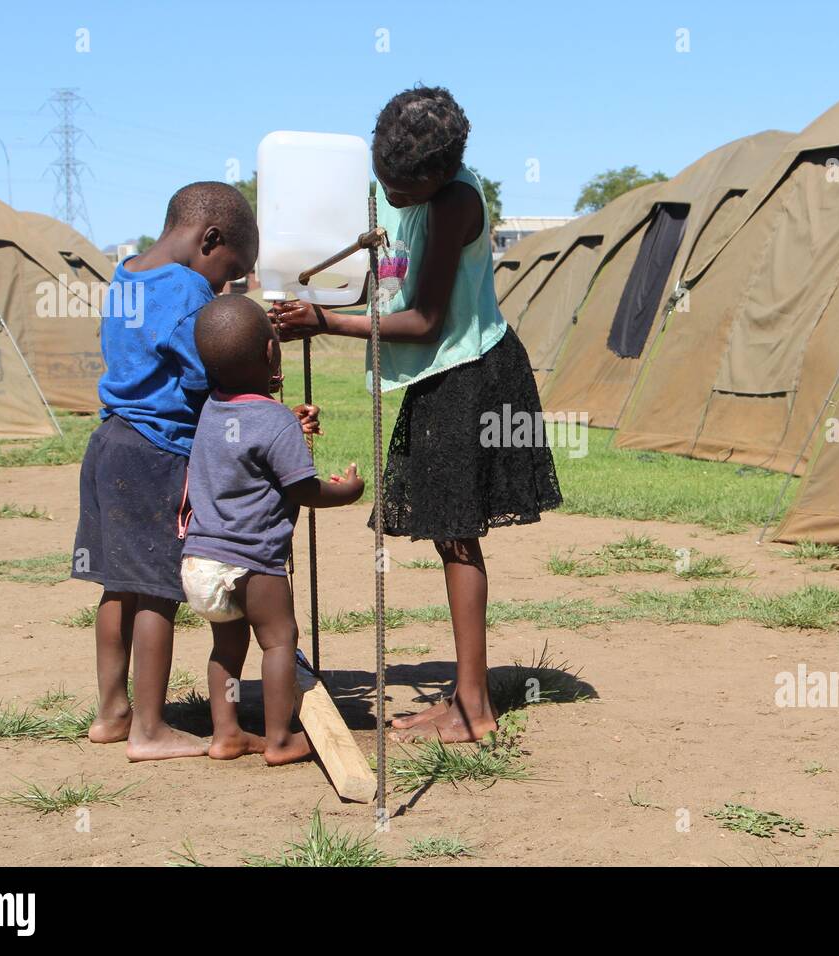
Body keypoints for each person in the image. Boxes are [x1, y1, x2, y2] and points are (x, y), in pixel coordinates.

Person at [271, 86, 562, 743]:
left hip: (471, 374)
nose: (393, 197)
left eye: (403, 190)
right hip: (443, 375)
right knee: (446, 533)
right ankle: (464, 695)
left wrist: (324, 323)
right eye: (385, 183)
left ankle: (474, 710)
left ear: (438, 173)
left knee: (457, 535)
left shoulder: (455, 201)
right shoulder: (413, 195)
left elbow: (426, 319)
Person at [72, 182, 258, 761]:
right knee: (158, 591)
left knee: (117, 587)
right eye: (230, 272)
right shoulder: (184, 290)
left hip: (108, 444)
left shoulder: (126, 274)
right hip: (156, 451)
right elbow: (207, 367)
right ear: (210, 239)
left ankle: (112, 713)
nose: (224, 287)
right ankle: (150, 730)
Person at [181, 294, 364, 764]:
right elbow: (303, 489)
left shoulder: (210, 409)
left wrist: (288, 426)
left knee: (227, 645)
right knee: (280, 640)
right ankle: (280, 739)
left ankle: (227, 734)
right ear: (269, 352)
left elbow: (246, 449)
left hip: (200, 562)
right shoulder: (275, 422)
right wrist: (347, 492)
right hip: (253, 562)